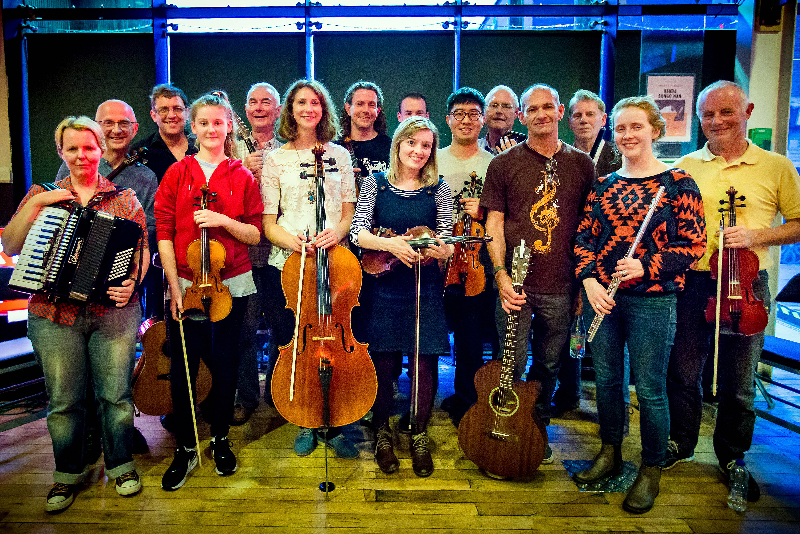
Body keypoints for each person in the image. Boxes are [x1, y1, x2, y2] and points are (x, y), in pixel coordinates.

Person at [2, 116, 149, 512]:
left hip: (112, 313)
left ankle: (121, 466)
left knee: (115, 396)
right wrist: (35, 203)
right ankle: (66, 475)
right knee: (65, 401)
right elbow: (11, 245)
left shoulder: (125, 199)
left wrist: (133, 282)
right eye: (73, 148)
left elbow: (141, 251)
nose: (82, 155)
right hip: (53, 314)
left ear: (101, 150)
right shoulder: (42, 194)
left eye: (89, 147)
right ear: (61, 152)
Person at [665, 81, 800, 502]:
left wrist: (757, 233)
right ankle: (681, 443)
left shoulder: (776, 165)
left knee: (740, 381)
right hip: (695, 282)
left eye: (727, 112)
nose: (717, 121)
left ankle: (732, 455)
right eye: (708, 114)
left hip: (746, 282)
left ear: (748, 111)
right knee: (684, 370)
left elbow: (798, 222)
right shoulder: (686, 164)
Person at [573, 96, 706, 514]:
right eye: (622, 129)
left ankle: (651, 468)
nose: (628, 135)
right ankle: (611, 451)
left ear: (655, 130)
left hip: (653, 301)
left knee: (650, 389)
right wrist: (591, 281)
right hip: (603, 300)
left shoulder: (678, 183)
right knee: (608, 381)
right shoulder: (605, 185)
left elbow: (693, 244)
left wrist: (646, 266)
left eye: (637, 127)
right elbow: (584, 240)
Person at [481, 84, 595, 465]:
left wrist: (583, 283)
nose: (541, 114)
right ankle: (506, 423)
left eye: (548, 107)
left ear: (560, 110)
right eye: (532, 109)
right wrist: (499, 277)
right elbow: (493, 226)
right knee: (508, 361)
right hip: (514, 285)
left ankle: (536, 425)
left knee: (550, 362)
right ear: (522, 115)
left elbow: (588, 228)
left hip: (562, 286)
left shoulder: (583, 164)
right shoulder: (503, 165)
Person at [155, 93, 263, 491]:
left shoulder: (241, 175)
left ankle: (219, 437)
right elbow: (164, 230)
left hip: (231, 281)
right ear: (193, 127)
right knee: (185, 367)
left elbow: (253, 233)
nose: (211, 130)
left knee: (226, 363)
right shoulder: (178, 173)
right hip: (184, 282)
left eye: (218, 123)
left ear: (229, 125)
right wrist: (172, 284)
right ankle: (185, 446)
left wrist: (220, 219)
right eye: (203, 123)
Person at [261, 79, 358, 459]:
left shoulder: (341, 155)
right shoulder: (276, 159)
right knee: (296, 343)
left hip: (335, 260)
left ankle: (335, 420)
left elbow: (349, 211)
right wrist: (294, 242)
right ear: (290, 109)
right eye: (300, 102)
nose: (308, 109)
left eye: (315, 102)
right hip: (291, 262)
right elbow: (269, 223)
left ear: (324, 109)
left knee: (337, 343)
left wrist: (336, 231)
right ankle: (304, 418)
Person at [351, 116, 453, 477]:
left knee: (425, 360)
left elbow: (445, 239)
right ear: (398, 144)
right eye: (412, 143)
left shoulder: (439, 189)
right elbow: (358, 233)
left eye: (426, 145)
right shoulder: (374, 184)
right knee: (384, 361)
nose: (418, 151)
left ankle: (419, 431)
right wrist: (391, 244)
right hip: (384, 285)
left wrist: (439, 249)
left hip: (422, 287)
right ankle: (381, 432)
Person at [55, 99, 158, 452]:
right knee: (76, 369)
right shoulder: (65, 172)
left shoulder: (143, 177)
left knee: (119, 367)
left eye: (124, 124)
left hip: (121, 283)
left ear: (134, 128)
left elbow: (148, 234)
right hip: (73, 286)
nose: (116, 130)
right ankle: (87, 433)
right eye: (107, 123)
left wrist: (134, 279)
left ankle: (120, 434)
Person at [436, 87, 497, 426]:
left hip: (475, 262)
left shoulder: (494, 164)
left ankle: (467, 399)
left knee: (471, 335)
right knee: (436, 331)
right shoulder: (435, 159)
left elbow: (504, 215)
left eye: (474, 114)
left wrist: (484, 211)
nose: (466, 120)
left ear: (482, 119)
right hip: (439, 258)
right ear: (448, 120)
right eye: (459, 114)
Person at [232, 82, 283, 425]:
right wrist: (242, 168)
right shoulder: (231, 147)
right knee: (243, 329)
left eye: (267, 102)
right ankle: (247, 396)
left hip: (279, 251)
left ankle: (280, 394)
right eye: (253, 102)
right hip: (244, 254)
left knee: (283, 326)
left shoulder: (290, 148)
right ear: (246, 109)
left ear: (278, 110)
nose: (260, 107)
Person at [133, 84, 198, 183]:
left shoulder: (202, 146)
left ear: (187, 113)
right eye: (164, 110)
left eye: (177, 109)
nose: (171, 115)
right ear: (153, 115)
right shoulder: (138, 154)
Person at [339, 81, 392, 180]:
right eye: (360, 104)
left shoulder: (391, 148)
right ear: (348, 108)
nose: (366, 110)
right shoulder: (336, 149)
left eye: (371, 105)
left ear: (378, 111)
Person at [568, 89, 620, 178]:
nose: (583, 120)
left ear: (603, 120)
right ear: (569, 122)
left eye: (590, 114)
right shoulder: (561, 159)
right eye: (577, 115)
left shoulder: (620, 158)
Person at [479, 85, 526, 155]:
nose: (499, 111)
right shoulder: (471, 149)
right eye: (494, 105)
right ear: (484, 111)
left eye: (506, 106)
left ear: (516, 113)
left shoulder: (527, 151)